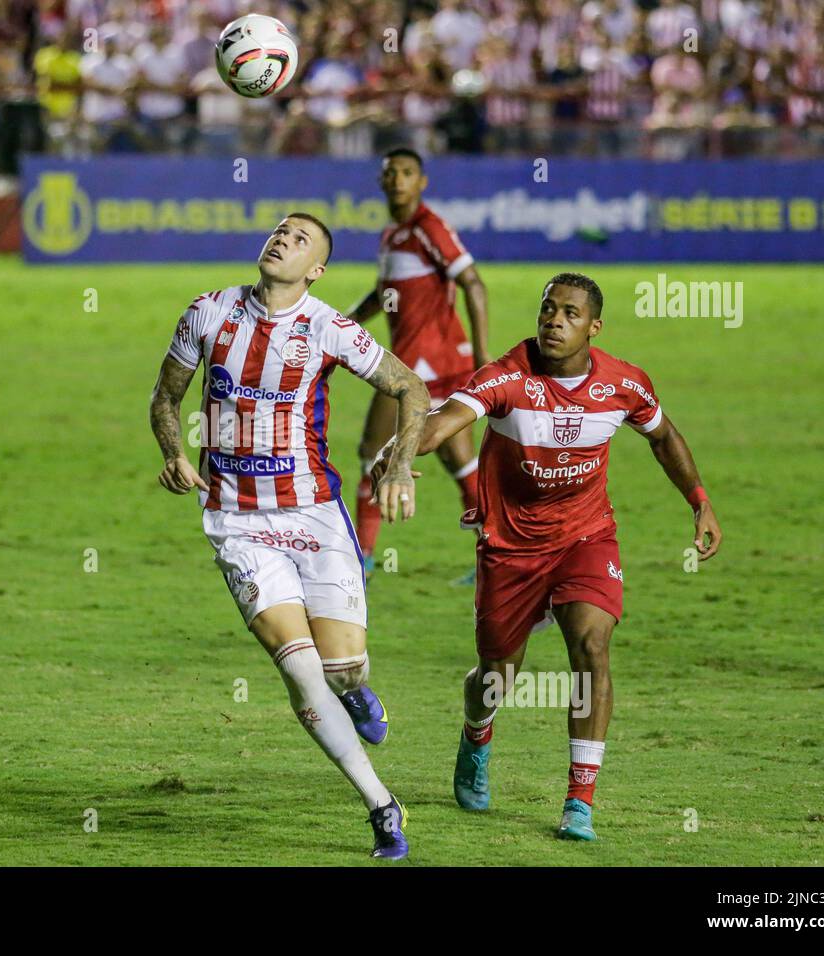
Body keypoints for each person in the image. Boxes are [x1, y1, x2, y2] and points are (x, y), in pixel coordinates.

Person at [371, 272, 722, 840]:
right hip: (509, 548)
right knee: (496, 675)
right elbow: (441, 422)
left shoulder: (622, 385)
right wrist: (398, 457)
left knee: (592, 645)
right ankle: (477, 733)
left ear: (593, 326)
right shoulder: (508, 376)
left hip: (586, 538)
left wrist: (699, 501)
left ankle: (579, 801)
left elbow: (664, 437)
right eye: (548, 309)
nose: (555, 320)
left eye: (570, 313)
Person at [149, 213, 429, 860]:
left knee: (341, 668)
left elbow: (410, 386)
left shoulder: (328, 327)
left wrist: (395, 461)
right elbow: (166, 398)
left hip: (314, 517)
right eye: (279, 231)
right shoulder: (208, 312)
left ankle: (357, 690)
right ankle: (381, 806)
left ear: (317, 270)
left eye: (300, 239)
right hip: (237, 521)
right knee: (302, 676)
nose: (282, 240)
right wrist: (172, 453)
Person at [347, 147, 489, 577]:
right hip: (435, 365)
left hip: (417, 368)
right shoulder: (393, 233)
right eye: (390, 172)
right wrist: (339, 324)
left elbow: (474, 284)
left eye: (407, 173)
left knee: (373, 451)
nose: (398, 180)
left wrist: (485, 357)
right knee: (460, 462)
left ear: (422, 182)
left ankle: (362, 560)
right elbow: (382, 294)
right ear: (381, 181)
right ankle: (495, 560)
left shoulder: (429, 227)